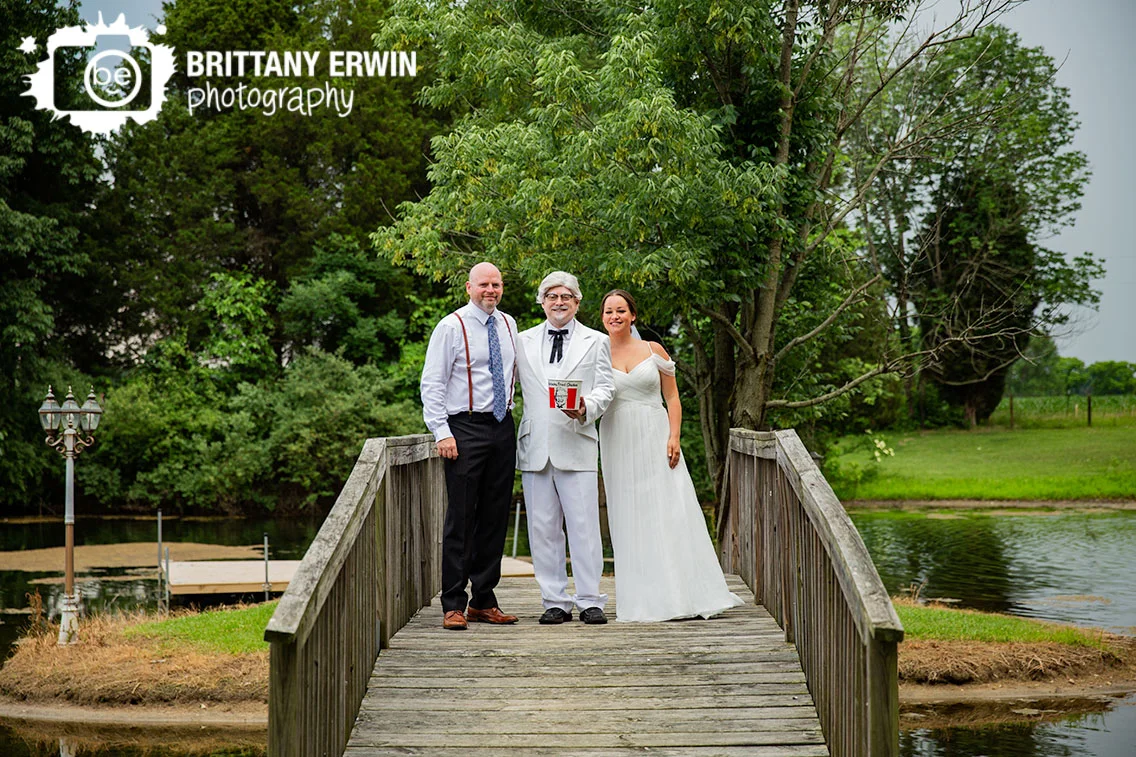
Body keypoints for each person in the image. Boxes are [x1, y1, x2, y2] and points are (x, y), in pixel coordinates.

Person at [598, 289, 742, 622]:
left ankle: (683, 592)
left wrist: (674, 435)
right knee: (628, 514)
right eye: (608, 312)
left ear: (633, 315)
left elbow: (673, 398)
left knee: (668, 507)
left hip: (655, 433)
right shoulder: (597, 352)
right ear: (602, 317)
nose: (614, 316)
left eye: (621, 310)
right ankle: (642, 598)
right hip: (616, 437)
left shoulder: (653, 350)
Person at [421, 262, 521, 630]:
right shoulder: (451, 326)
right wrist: (441, 432)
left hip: (501, 425)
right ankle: (453, 603)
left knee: (495, 516)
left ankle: (484, 599)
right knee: (461, 517)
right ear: (469, 287)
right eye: (483, 284)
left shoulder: (509, 325)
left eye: (496, 284)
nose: (490, 290)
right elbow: (432, 382)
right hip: (464, 427)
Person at [515, 272, 615, 625]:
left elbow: (607, 386)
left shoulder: (597, 341)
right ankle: (553, 600)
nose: (559, 301)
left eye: (567, 296)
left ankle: (591, 599)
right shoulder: (521, 340)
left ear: (577, 302)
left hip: (577, 439)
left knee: (584, 526)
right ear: (542, 301)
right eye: (552, 296)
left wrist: (587, 406)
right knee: (542, 528)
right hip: (535, 446)